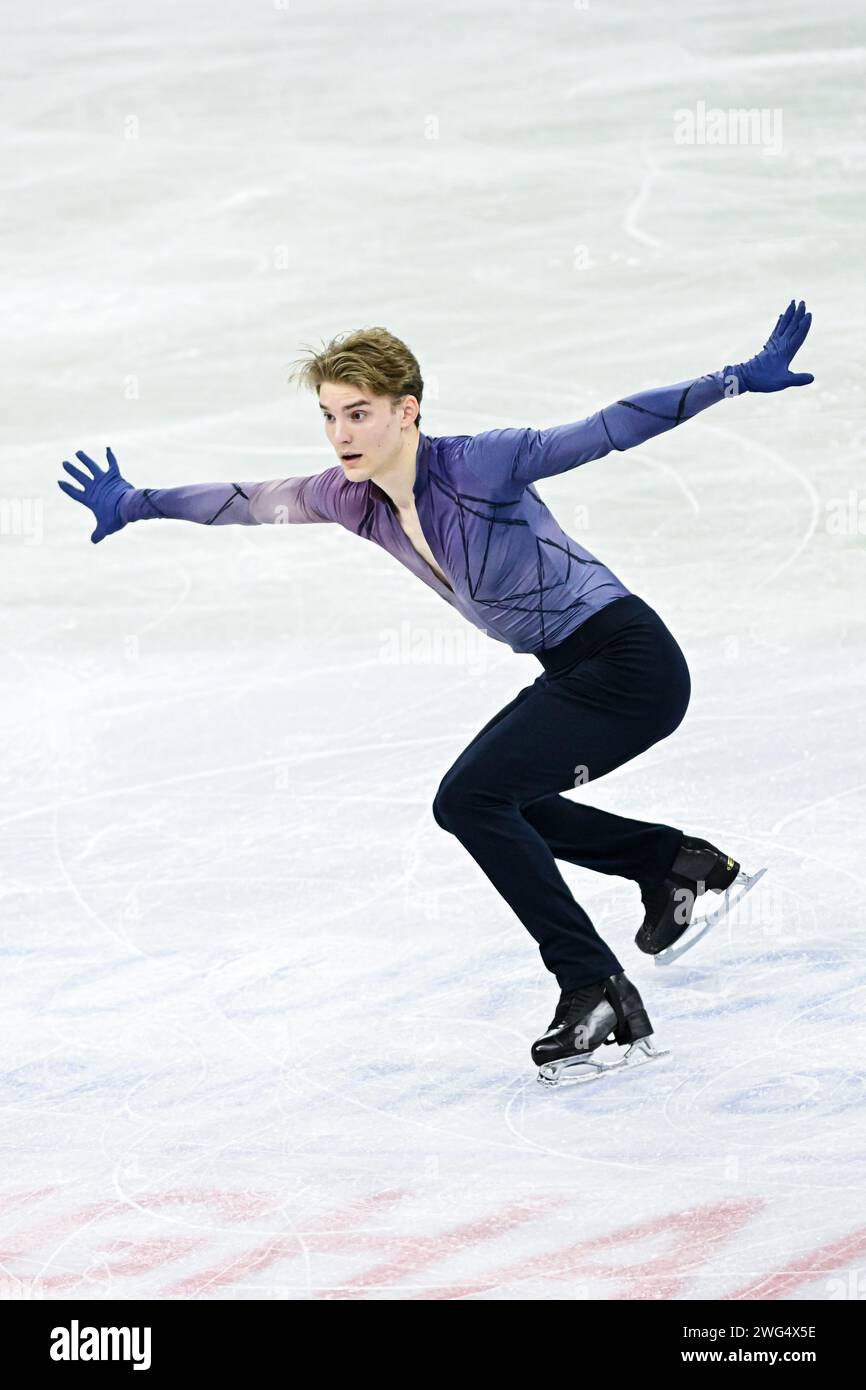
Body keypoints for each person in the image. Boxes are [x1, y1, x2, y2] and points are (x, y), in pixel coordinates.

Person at [57, 301, 813, 1086]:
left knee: (474, 799)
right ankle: (671, 863)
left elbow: (605, 428)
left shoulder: (480, 464)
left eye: (359, 413)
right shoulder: (350, 498)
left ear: (405, 410)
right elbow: (244, 500)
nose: (341, 434)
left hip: (631, 662)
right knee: (488, 801)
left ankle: (593, 988)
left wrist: (733, 381)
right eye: (328, 417)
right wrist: (133, 502)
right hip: (573, 668)